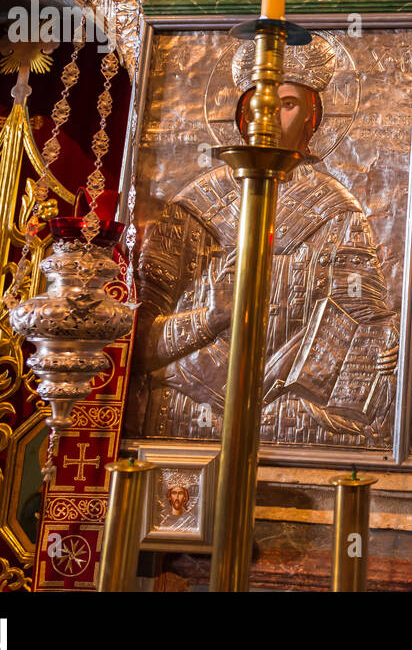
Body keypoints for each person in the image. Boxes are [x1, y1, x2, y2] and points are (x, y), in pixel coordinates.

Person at [137, 34, 398, 446]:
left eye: (288, 104)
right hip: (186, 414)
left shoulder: (337, 212)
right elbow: (135, 345)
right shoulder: (193, 207)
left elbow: (371, 327)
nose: (271, 117)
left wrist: (376, 353)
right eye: (261, 101)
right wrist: (209, 318)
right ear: (242, 115)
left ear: (313, 118)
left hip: (288, 418)